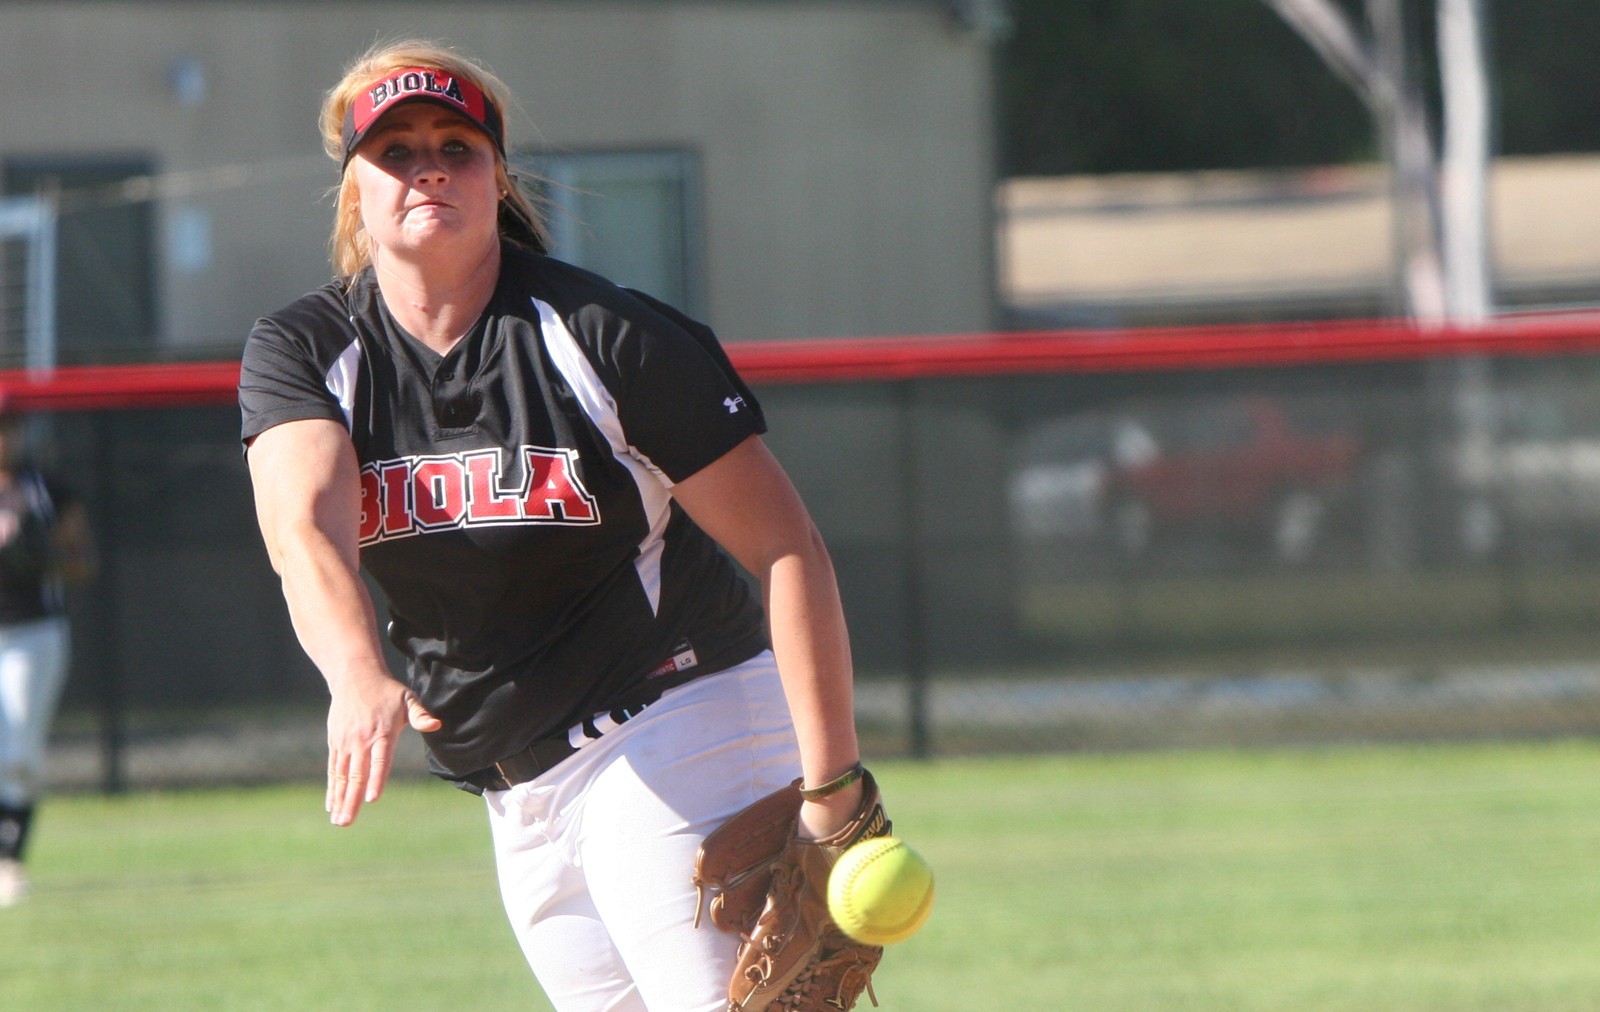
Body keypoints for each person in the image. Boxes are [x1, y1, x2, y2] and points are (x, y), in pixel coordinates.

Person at [239, 39, 880, 1010]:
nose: (428, 168)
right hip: (518, 786)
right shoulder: (309, 347)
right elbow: (305, 531)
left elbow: (786, 547)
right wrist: (355, 674)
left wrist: (831, 783)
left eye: (456, 146)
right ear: (353, 189)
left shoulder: (597, 334)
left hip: (679, 716)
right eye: (397, 150)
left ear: (497, 177)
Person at [0, 409, 94, 907]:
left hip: (32, 634)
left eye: (5, 425)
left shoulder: (46, 491)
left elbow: (82, 562)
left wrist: (39, 557)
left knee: (17, 752)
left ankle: (8, 861)